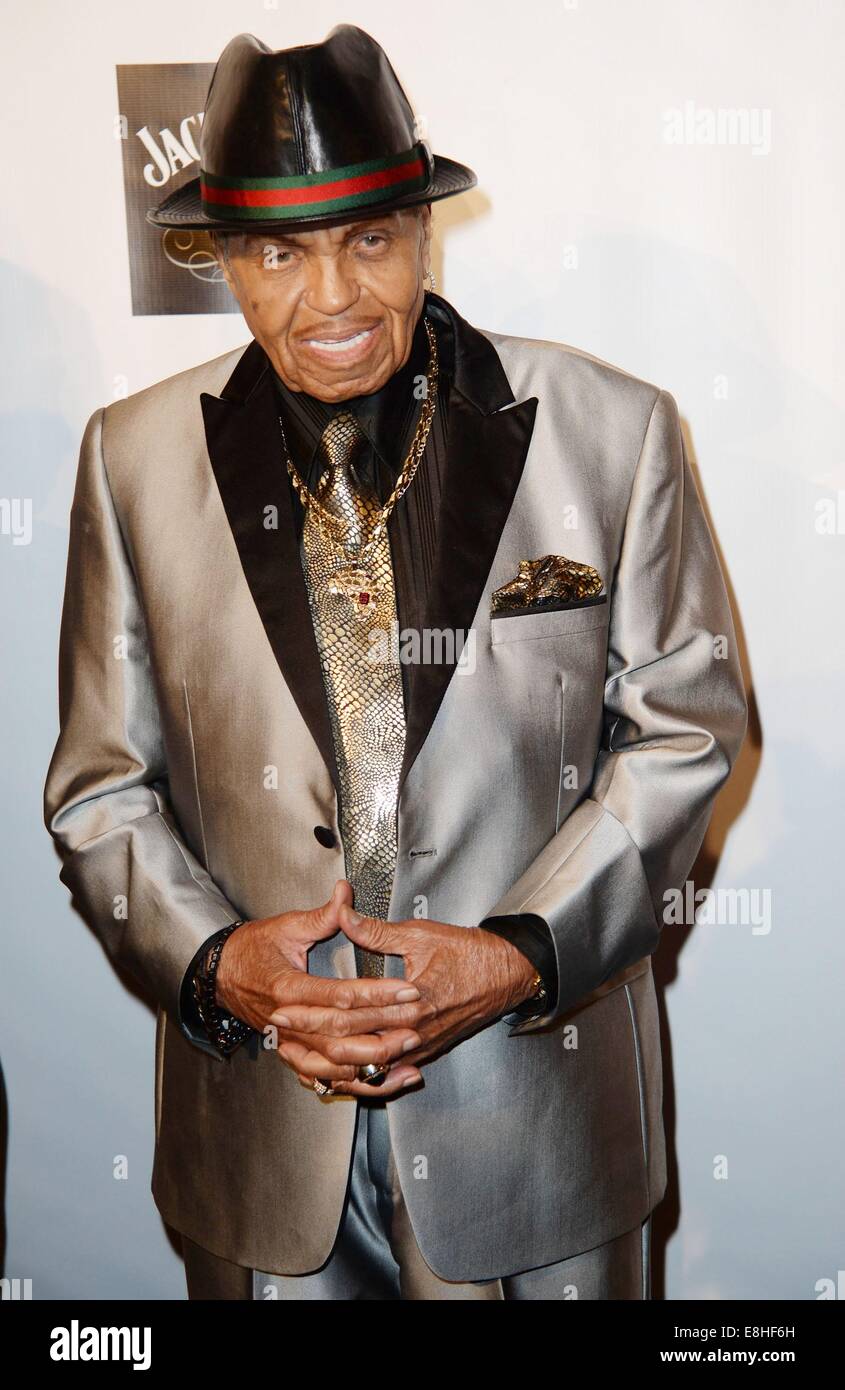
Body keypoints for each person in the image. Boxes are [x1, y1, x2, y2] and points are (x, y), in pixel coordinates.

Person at [44, 25, 748, 1300]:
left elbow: (684, 732)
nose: (331, 300)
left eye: (369, 240)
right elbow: (102, 791)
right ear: (224, 260)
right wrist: (217, 967)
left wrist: (523, 952)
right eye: (280, 253)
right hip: (262, 1134)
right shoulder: (128, 461)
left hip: (536, 1127)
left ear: (424, 231)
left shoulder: (613, 432)